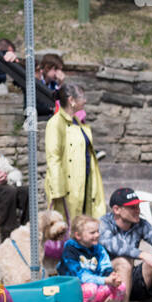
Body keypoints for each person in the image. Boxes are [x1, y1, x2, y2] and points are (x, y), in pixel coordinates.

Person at [58, 214, 130, 302]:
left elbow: (105, 267)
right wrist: (104, 280)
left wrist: (112, 277)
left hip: (95, 292)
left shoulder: (98, 249)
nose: (97, 235)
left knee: (120, 287)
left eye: (97, 231)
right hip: (75, 294)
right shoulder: (70, 250)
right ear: (78, 235)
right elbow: (78, 276)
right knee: (90, 287)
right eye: (92, 232)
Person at [45, 82, 106, 224]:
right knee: (68, 227)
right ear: (71, 100)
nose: (85, 101)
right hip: (68, 189)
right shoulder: (55, 123)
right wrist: (58, 192)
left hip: (85, 183)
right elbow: (53, 157)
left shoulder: (77, 122)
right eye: (82, 97)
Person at [0, 119, 30, 246]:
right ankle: (7, 236)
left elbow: (13, 171)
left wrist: (6, 176)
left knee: (25, 191)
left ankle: (27, 231)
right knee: (7, 191)